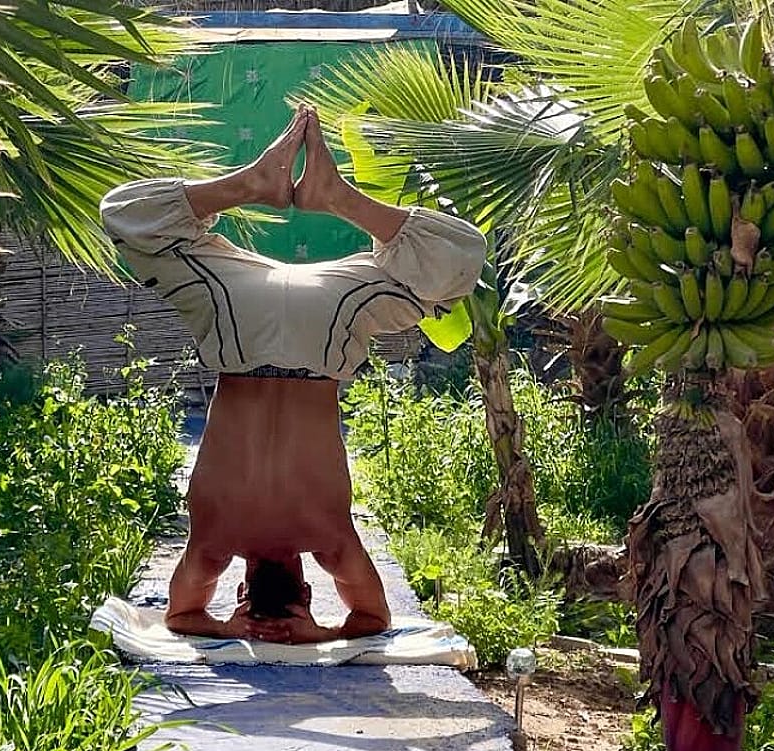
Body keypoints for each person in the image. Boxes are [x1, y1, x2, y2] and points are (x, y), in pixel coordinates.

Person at [100, 105, 486, 644]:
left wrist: (322, 634)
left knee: (456, 263)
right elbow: (183, 618)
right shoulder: (213, 538)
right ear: (240, 588)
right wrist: (229, 629)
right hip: (240, 316)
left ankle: (321, 194)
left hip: (323, 324)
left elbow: (371, 621)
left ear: (308, 589)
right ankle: (286, 189)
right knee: (124, 218)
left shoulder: (329, 537)